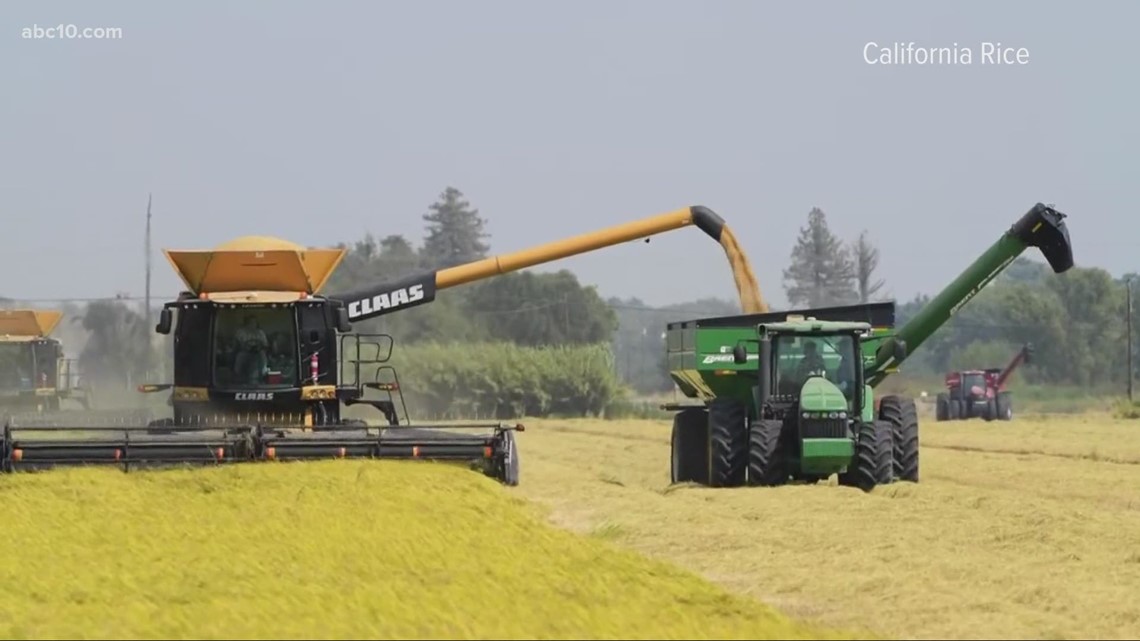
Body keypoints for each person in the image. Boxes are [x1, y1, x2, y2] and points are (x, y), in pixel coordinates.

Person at [233, 315, 269, 384]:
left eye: (254, 322)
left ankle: (262, 374)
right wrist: (245, 346)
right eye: (250, 322)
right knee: (240, 356)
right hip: (244, 352)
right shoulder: (241, 332)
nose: (253, 324)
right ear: (246, 323)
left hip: (258, 353)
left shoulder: (260, 332)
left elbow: (266, 345)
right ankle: (238, 375)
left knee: (262, 355)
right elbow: (236, 344)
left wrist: (259, 346)